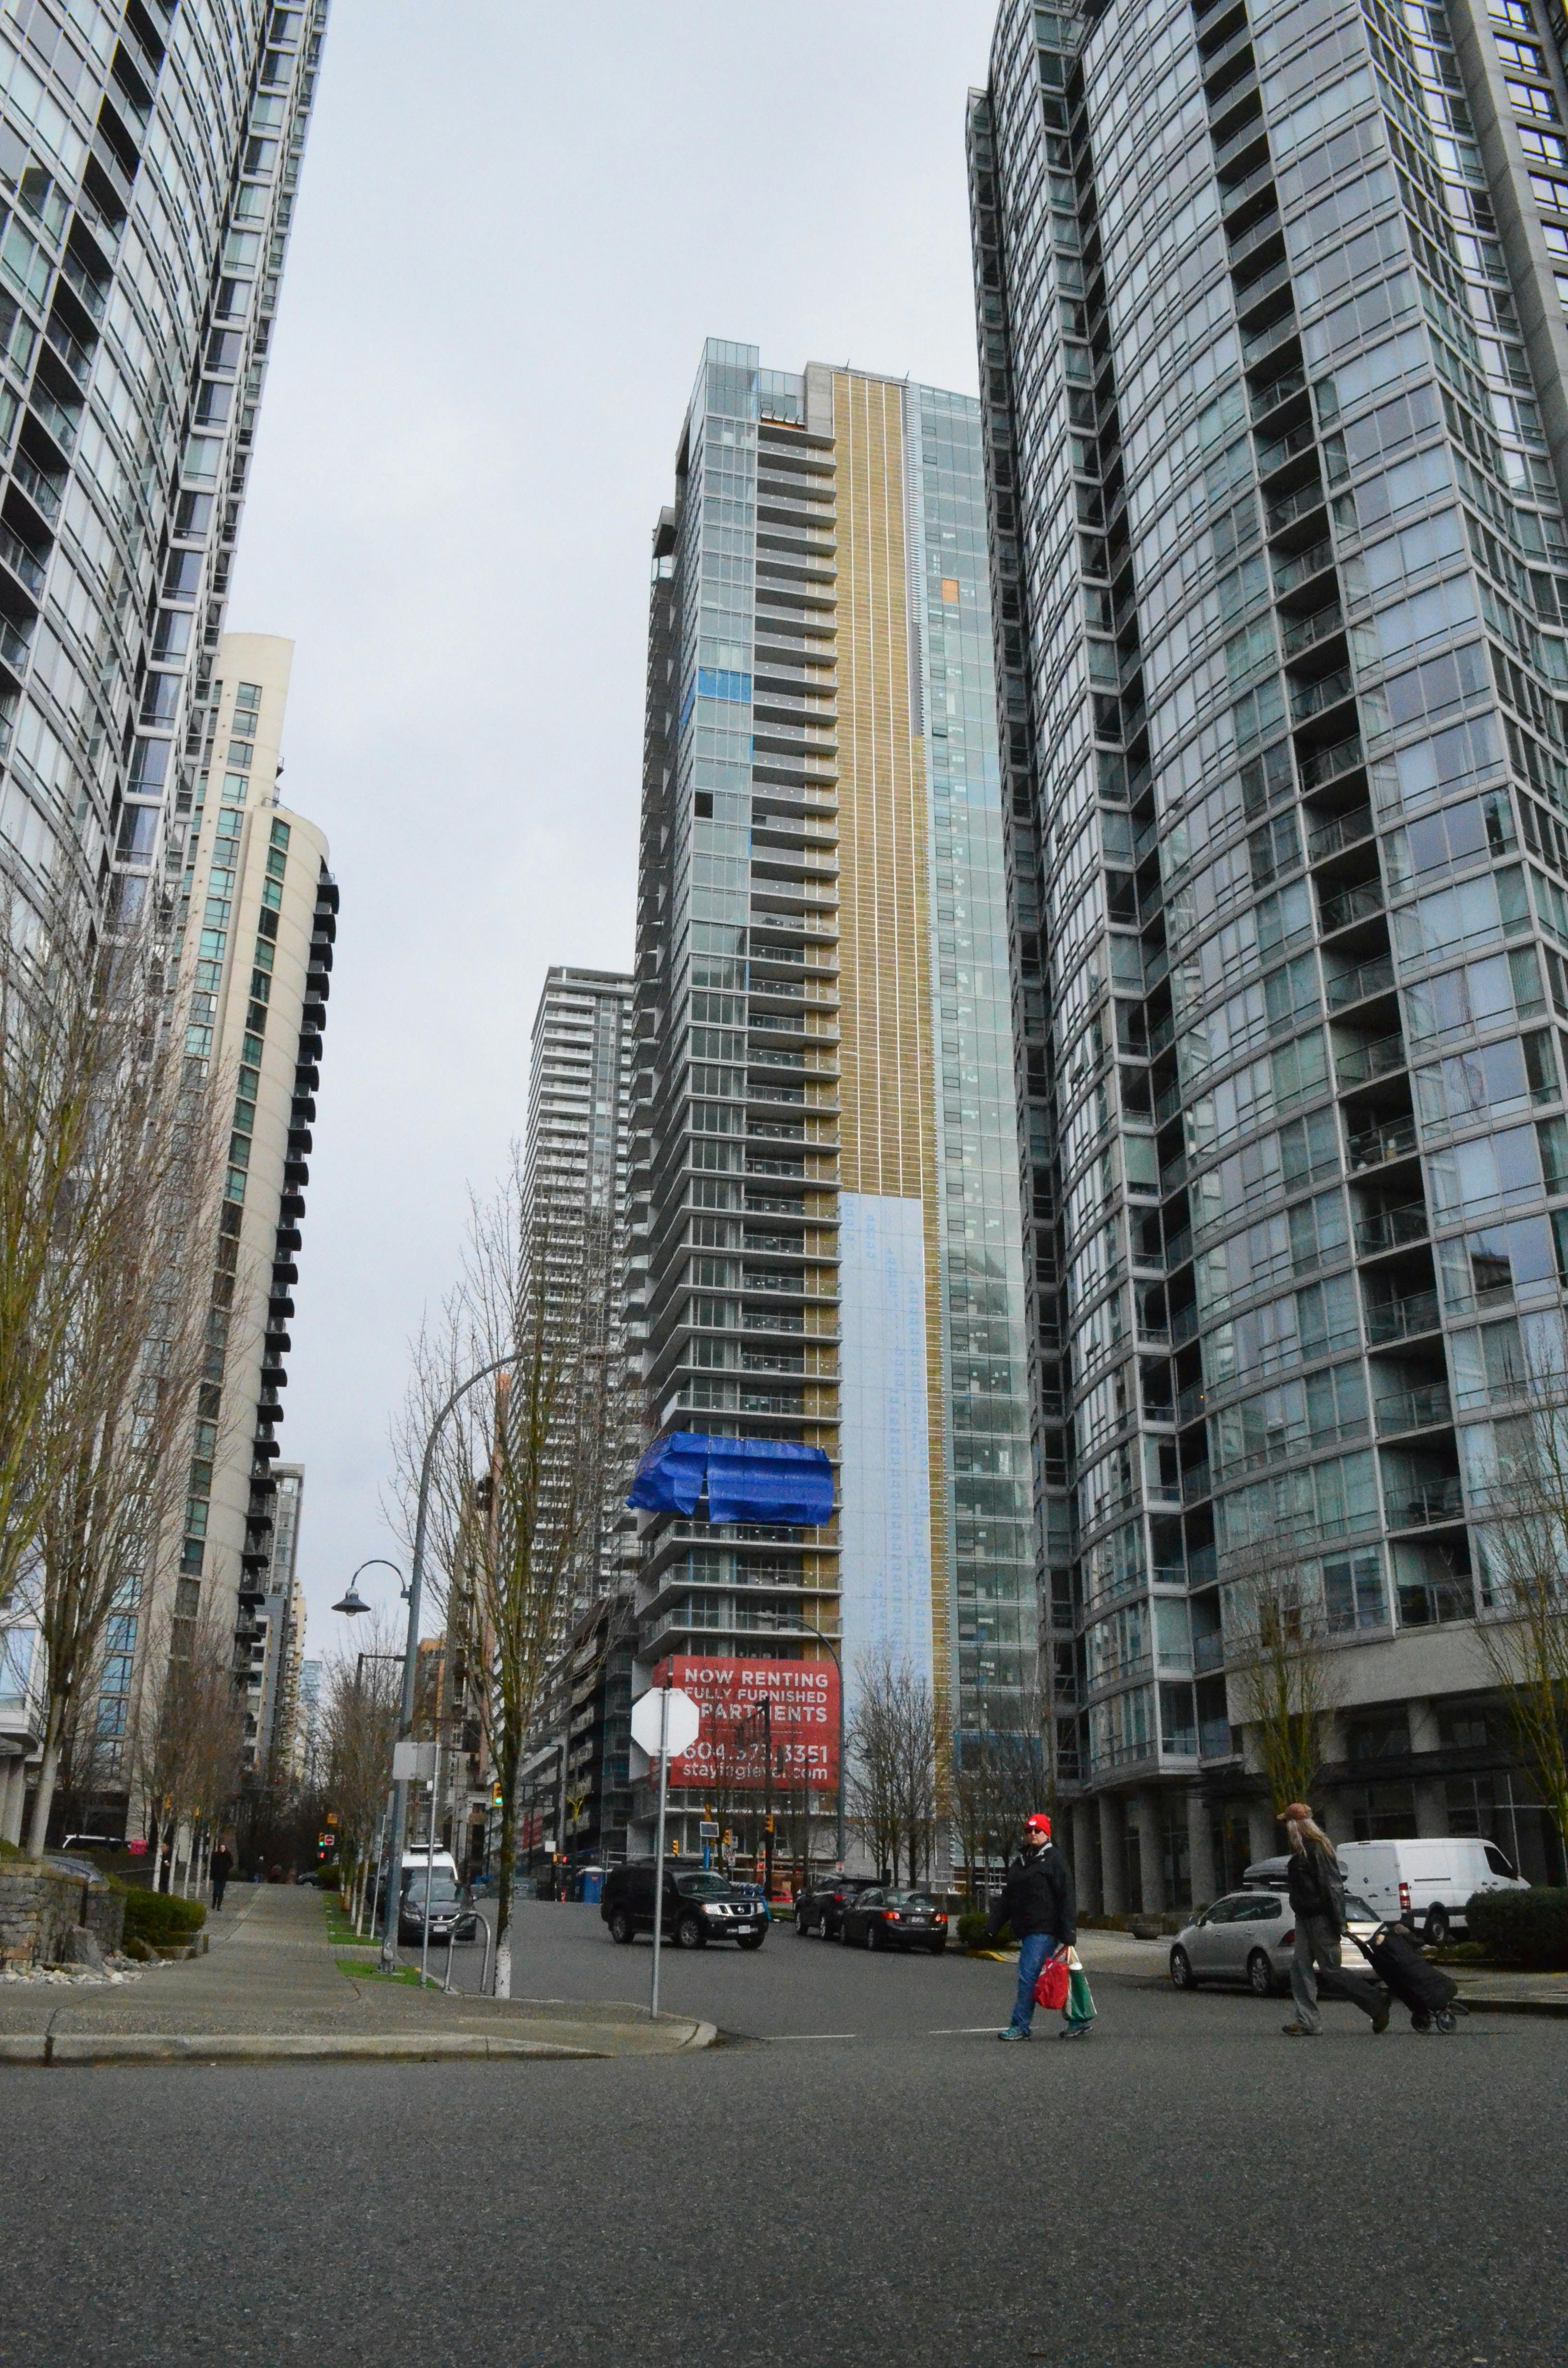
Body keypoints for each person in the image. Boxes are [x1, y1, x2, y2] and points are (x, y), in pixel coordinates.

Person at [1279, 1802, 1389, 2037]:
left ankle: (1376, 2002)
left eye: (1288, 1823)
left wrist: (1338, 1921)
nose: (1286, 1829)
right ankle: (1308, 2021)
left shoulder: (1317, 1850)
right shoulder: (1304, 1852)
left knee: (1332, 1970)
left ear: (1297, 1825)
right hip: (1306, 1918)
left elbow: (1333, 1888)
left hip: (1320, 1919)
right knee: (1300, 1969)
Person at [986, 1812, 1077, 2041]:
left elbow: (1067, 1896)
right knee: (1055, 1976)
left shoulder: (1055, 1859)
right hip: (1027, 1930)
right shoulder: (1021, 1863)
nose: (1033, 1834)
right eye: (1029, 1831)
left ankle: (1020, 2025)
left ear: (1047, 1833)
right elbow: (1007, 1898)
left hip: (1045, 1929)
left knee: (1027, 1974)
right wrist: (992, 1927)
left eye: (1038, 1831)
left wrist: (1069, 1932)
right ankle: (1081, 2019)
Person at [210, 1839, 233, 1912]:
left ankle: (219, 1906)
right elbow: (212, 1864)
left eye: (224, 1848)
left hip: (224, 1876)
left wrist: (227, 1867)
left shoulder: (228, 1855)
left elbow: (231, 1863)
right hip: (216, 1876)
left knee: (221, 1891)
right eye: (221, 1848)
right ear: (219, 1849)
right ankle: (214, 1902)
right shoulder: (216, 1855)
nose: (222, 1850)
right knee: (216, 1891)